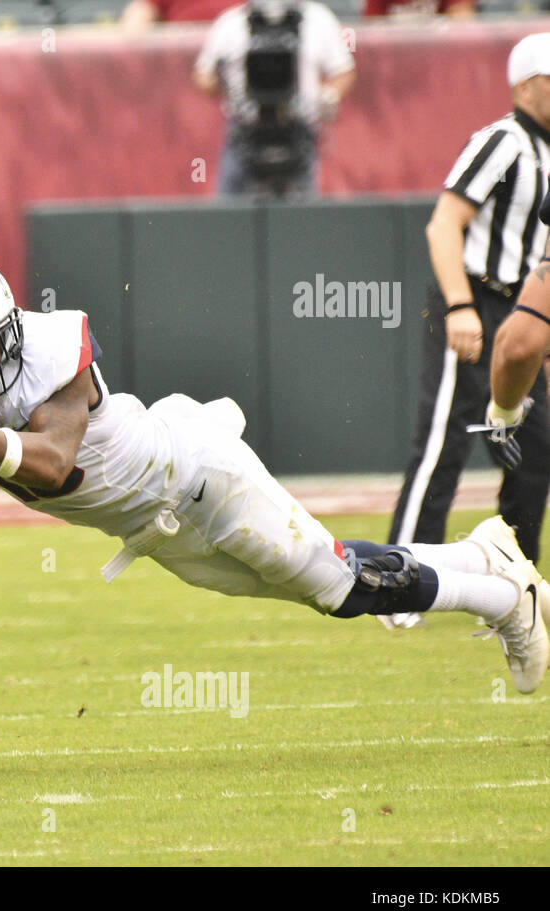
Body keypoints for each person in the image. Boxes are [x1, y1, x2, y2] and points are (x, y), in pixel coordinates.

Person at [0, 257, 549, 694]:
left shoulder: (52, 347)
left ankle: (504, 601)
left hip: (198, 471)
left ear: (10, 328)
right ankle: (479, 554)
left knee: (339, 588)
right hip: (160, 532)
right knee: (327, 577)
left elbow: (55, 461)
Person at [388, 33, 550, 625]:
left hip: (527, 311)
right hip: (478, 298)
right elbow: (443, 224)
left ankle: (516, 588)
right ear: (527, 84)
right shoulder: (503, 141)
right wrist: (460, 306)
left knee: (533, 451)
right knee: (442, 444)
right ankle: (398, 583)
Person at [192, 0, 355, 197]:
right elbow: (203, 72)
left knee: (303, 212)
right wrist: (222, 87)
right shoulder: (231, 22)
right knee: (229, 210)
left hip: (298, 130)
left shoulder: (318, 18)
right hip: (245, 131)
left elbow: (344, 70)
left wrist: (328, 96)